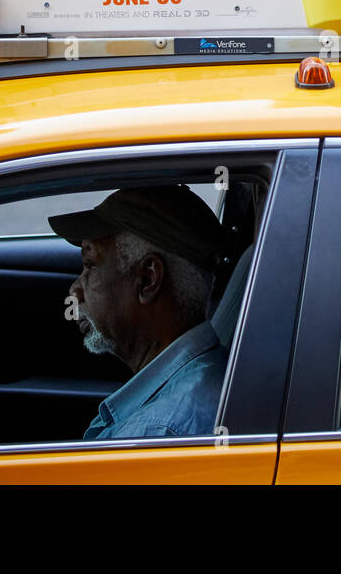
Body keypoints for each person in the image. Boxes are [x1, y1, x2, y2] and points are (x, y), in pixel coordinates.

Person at [51, 186, 229, 439]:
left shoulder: (154, 432)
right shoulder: (210, 370)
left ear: (147, 280)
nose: (75, 291)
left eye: (90, 266)